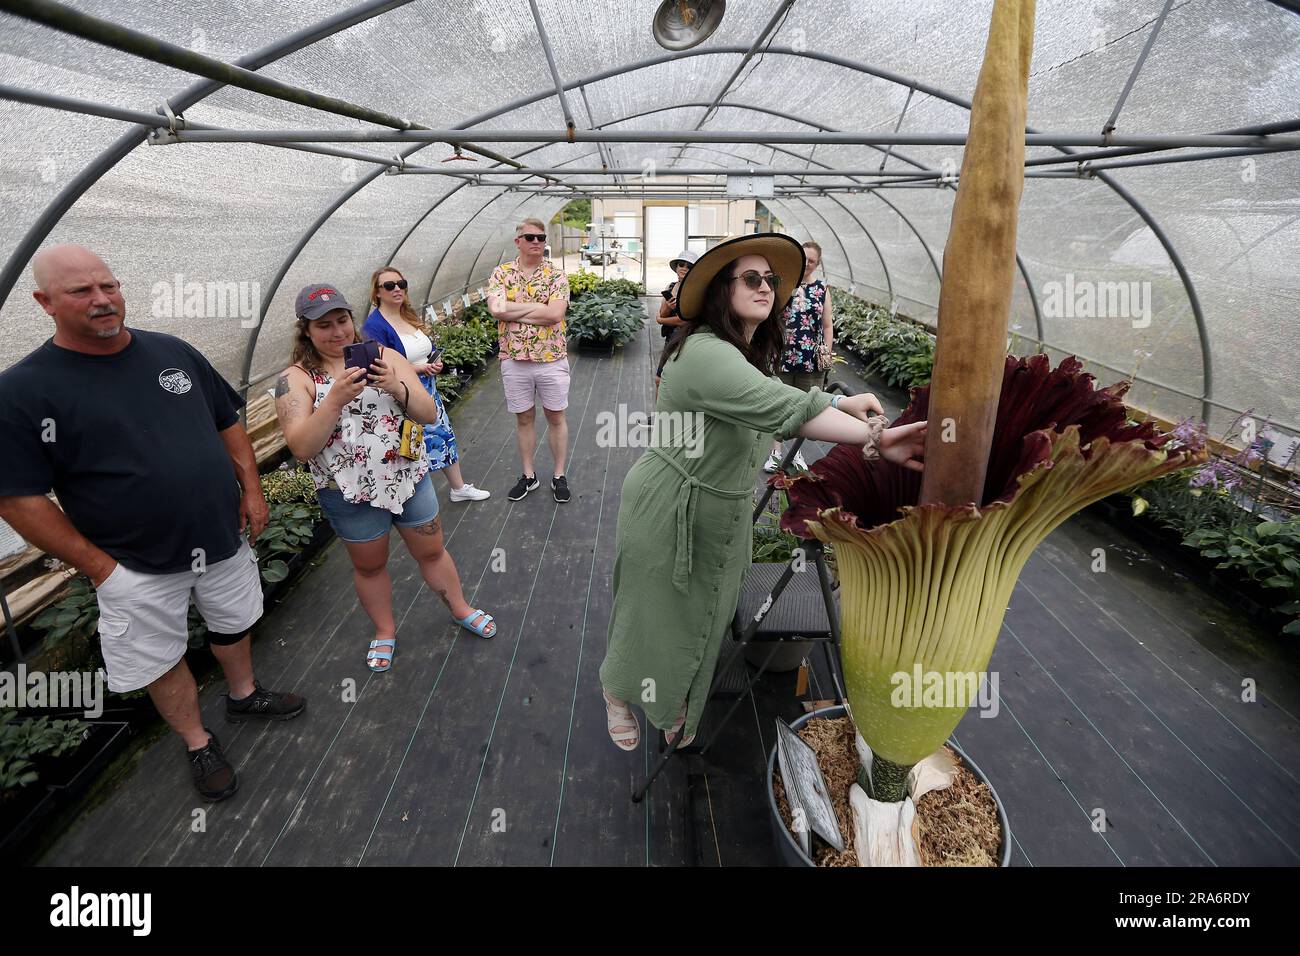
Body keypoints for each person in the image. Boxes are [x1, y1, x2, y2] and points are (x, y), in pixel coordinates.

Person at [0, 244, 304, 803]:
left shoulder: (171, 352)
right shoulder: (24, 390)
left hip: (221, 536)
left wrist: (253, 490)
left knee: (233, 621)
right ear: (44, 302)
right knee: (159, 657)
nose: (102, 300)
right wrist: (101, 569)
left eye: (108, 285)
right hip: (131, 563)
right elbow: (17, 499)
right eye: (81, 291)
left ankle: (243, 692)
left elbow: (226, 422)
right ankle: (196, 740)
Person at [597, 234, 927, 750]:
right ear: (719, 291)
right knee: (651, 609)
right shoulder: (705, 352)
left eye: (771, 280)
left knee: (700, 615)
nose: (766, 287)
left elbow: (779, 396)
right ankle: (618, 691)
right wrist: (876, 439)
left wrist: (843, 405)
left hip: (718, 509)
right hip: (670, 507)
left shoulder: (745, 354)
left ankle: (672, 699)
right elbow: (780, 406)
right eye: (751, 278)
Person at [274, 283, 497, 674]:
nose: (337, 331)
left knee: (432, 551)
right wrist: (335, 399)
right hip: (348, 493)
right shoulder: (296, 379)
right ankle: (385, 630)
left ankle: (461, 608)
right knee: (370, 566)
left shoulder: (384, 356)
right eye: (323, 325)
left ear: (352, 320)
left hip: (407, 477)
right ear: (306, 331)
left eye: (341, 320)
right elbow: (302, 447)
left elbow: (428, 413)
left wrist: (395, 384)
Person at [361, 265, 490, 502]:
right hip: (404, 394)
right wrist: (418, 369)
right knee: (415, 444)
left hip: (427, 388)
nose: (397, 289)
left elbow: (422, 350)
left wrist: (434, 362)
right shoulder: (374, 327)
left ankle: (457, 488)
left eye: (402, 284)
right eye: (389, 286)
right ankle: (414, 497)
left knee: (442, 436)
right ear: (377, 292)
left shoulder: (407, 315)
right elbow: (380, 369)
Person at [485, 218, 572, 504]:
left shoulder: (556, 275)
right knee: (524, 418)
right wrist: (538, 308)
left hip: (551, 359)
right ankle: (528, 475)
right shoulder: (502, 273)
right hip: (515, 360)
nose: (537, 242)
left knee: (556, 417)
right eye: (531, 237)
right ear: (518, 241)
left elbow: (555, 314)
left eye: (541, 238)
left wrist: (515, 311)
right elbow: (496, 309)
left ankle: (559, 475)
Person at [766, 241, 834, 473]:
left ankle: (796, 454)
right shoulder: (782, 284)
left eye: (812, 261)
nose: (806, 263)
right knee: (779, 403)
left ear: (817, 264)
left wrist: (826, 352)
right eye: (803, 258)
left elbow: (827, 326)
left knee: (806, 406)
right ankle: (775, 453)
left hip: (810, 358)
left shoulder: (822, 289)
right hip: (781, 355)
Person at [653, 249, 697, 404]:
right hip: (671, 338)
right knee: (659, 379)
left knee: (681, 382)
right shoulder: (672, 286)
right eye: (681, 264)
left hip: (687, 339)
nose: (684, 268)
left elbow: (684, 321)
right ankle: (659, 416)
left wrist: (660, 320)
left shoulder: (694, 290)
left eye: (689, 266)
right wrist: (668, 307)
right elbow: (663, 313)